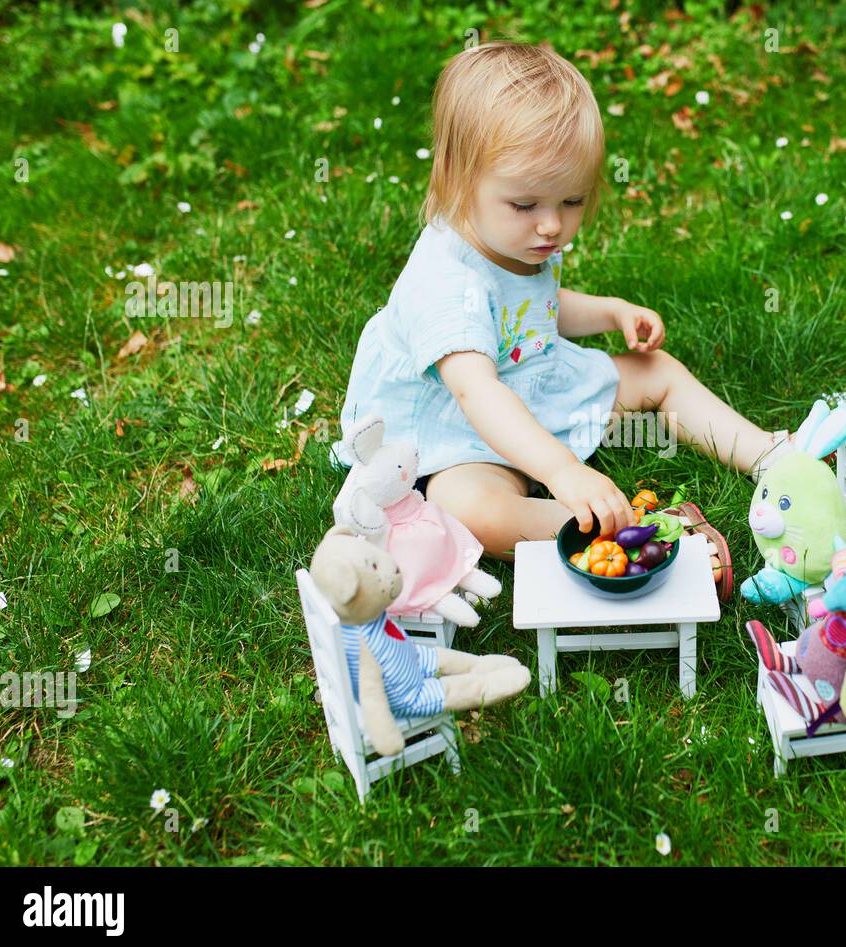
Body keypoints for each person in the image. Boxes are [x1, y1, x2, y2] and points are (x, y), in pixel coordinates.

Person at [335, 40, 796, 562]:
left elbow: (536, 309)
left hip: (528, 386)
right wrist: (561, 470)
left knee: (655, 370)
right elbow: (476, 394)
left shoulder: (518, 236)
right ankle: (634, 535)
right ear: (457, 182)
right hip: (457, 431)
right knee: (467, 510)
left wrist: (610, 312)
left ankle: (774, 456)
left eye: (571, 200)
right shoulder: (443, 280)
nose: (553, 224)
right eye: (526, 203)